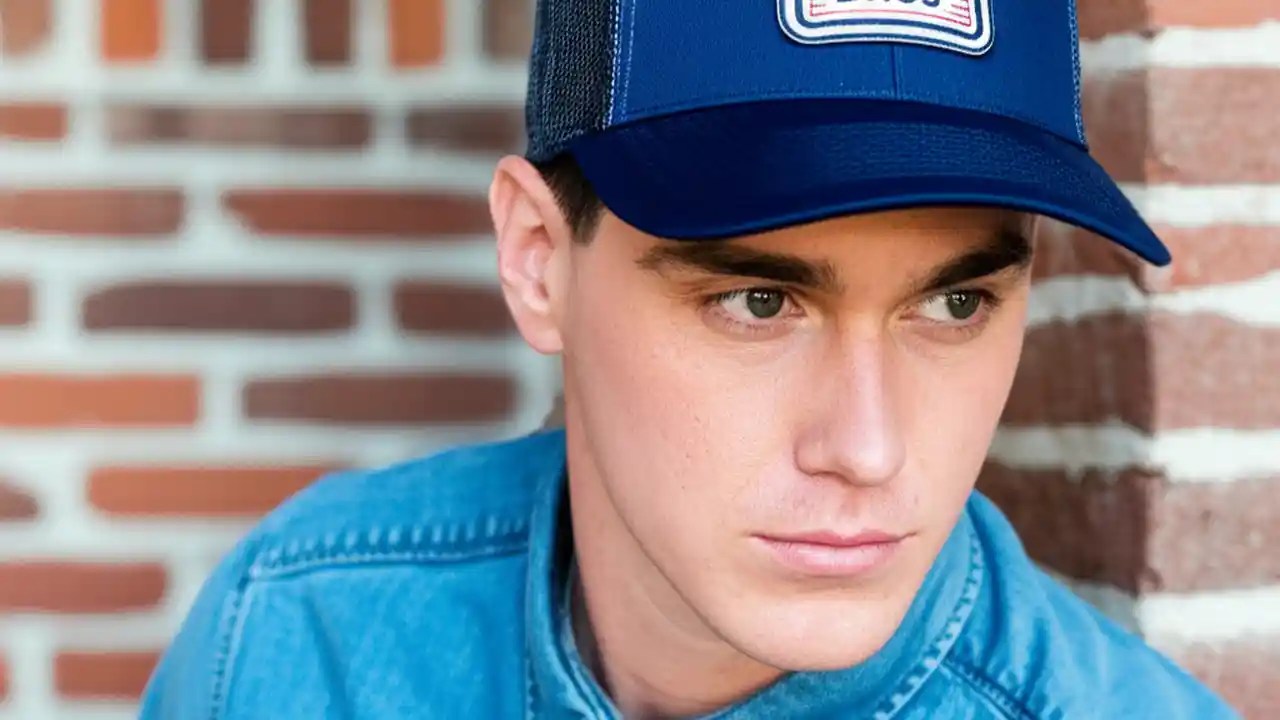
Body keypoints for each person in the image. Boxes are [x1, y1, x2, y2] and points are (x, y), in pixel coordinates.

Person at [141, 1, 1239, 718]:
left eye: (953, 302)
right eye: (758, 302)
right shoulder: (293, 640)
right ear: (536, 260)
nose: (866, 448)